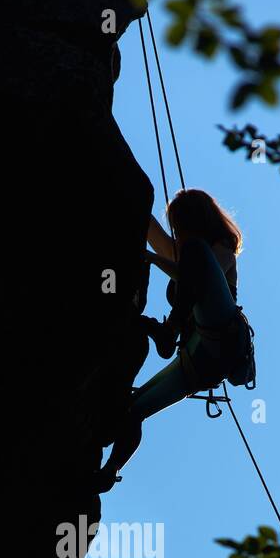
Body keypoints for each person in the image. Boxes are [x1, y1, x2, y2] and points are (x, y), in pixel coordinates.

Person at [96, 188, 252, 492]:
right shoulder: (189, 253)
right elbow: (155, 237)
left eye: (179, 225)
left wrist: (155, 260)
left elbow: (198, 275)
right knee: (132, 409)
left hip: (219, 333)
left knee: (192, 253)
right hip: (198, 356)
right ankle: (110, 470)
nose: (176, 232)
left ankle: (168, 330)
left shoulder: (220, 249)